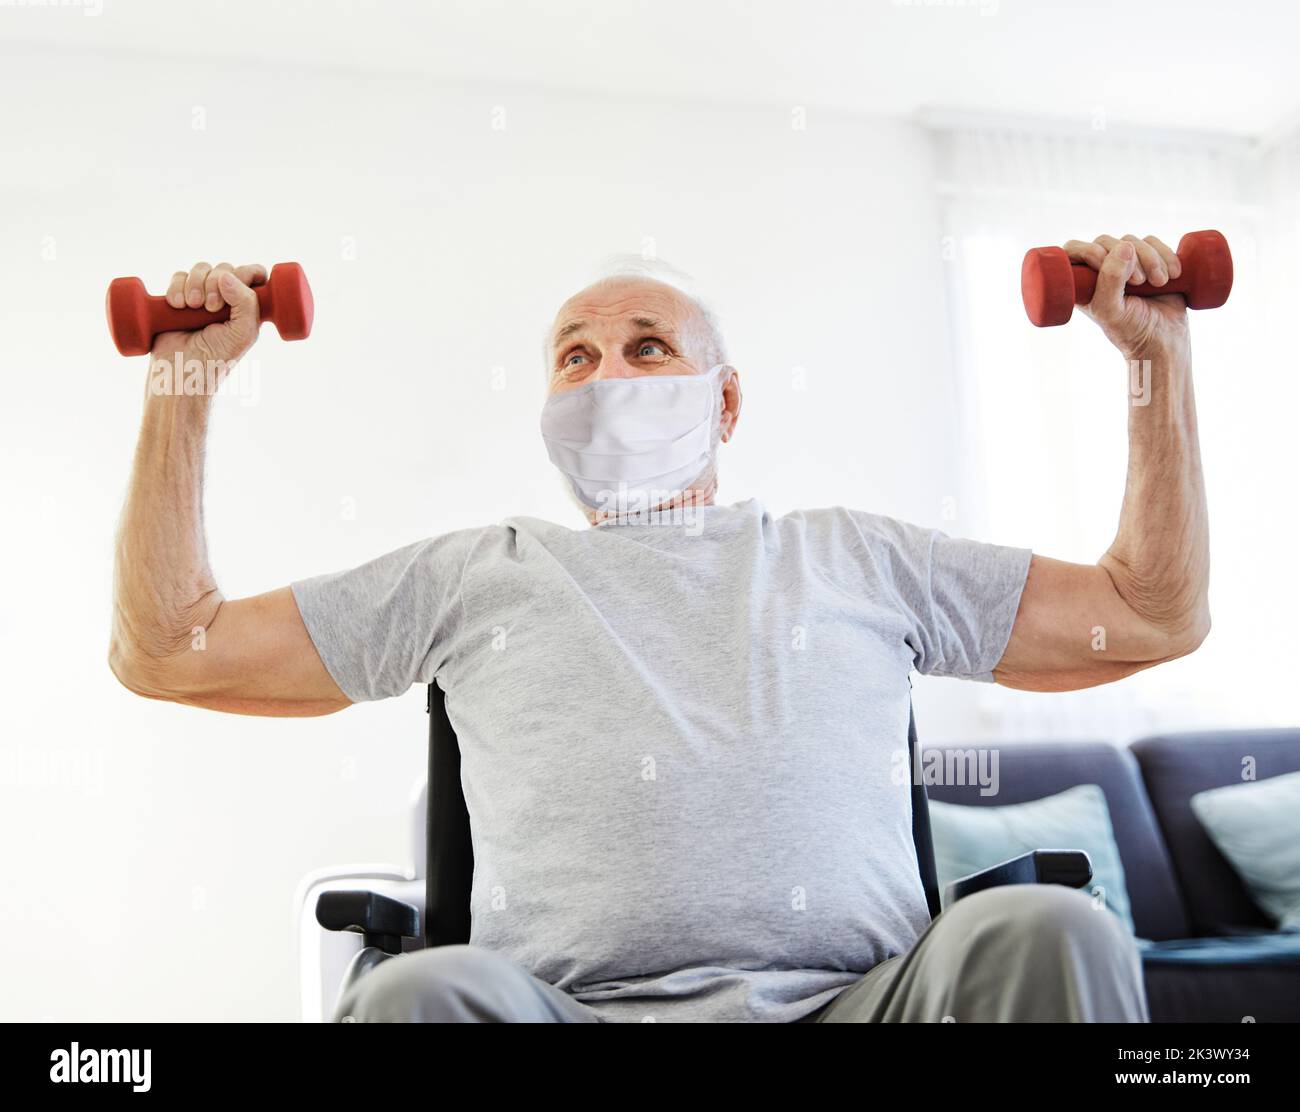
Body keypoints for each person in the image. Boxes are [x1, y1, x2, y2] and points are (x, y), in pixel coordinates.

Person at [110, 237, 1207, 1022]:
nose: (607, 378)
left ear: (724, 404)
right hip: (567, 1011)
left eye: (646, 348)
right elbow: (168, 646)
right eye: (575, 358)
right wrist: (183, 378)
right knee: (414, 992)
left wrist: (1156, 357)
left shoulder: (860, 557)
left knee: (1050, 928)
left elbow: (1147, 613)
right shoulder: (474, 573)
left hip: (863, 1004)